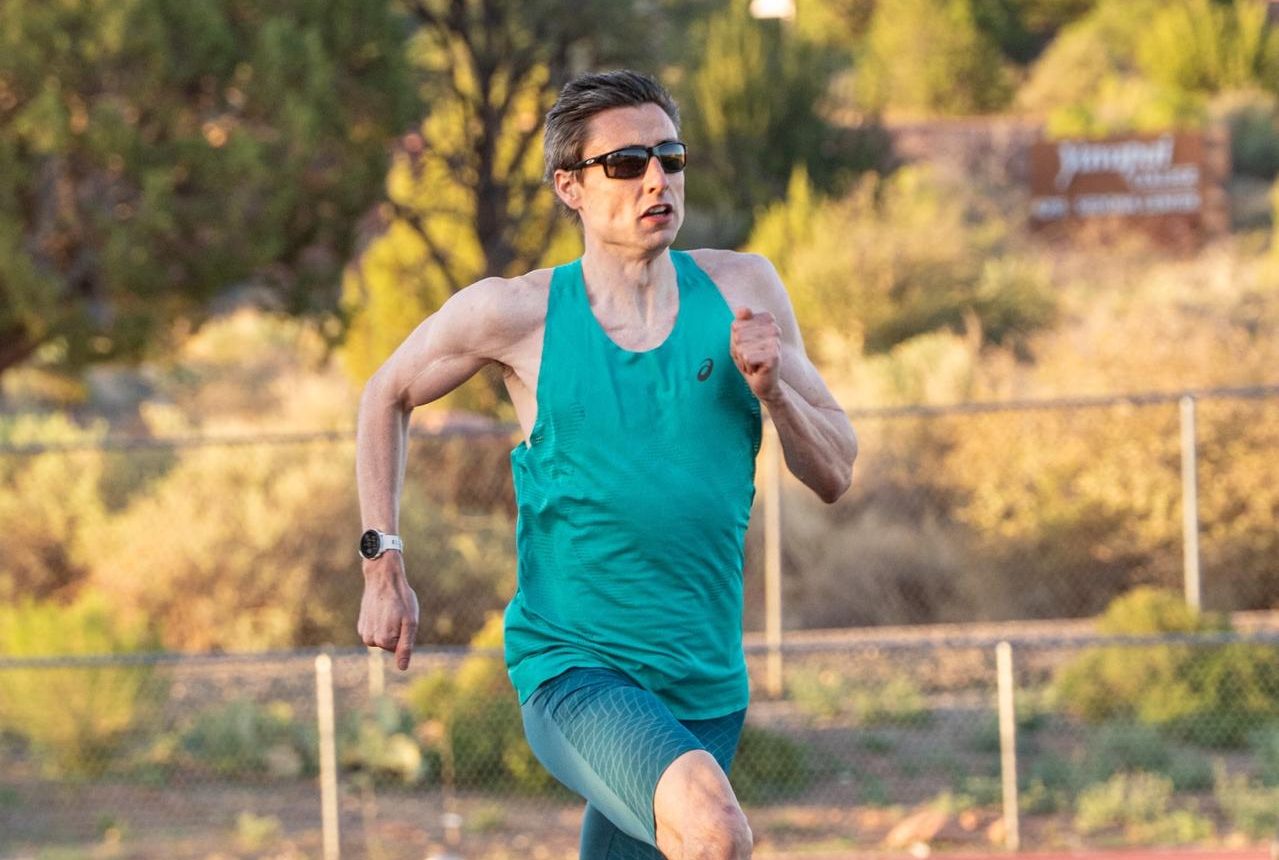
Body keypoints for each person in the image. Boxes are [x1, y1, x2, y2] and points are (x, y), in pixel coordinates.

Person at [356, 69, 857, 860]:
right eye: (625, 163)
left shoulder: (741, 290)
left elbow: (835, 470)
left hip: (705, 683)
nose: (656, 177)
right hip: (576, 667)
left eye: (670, 156)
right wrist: (383, 562)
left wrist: (774, 392)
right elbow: (383, 395)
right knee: (712, 828)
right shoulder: (515, 313)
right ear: (571, 186)